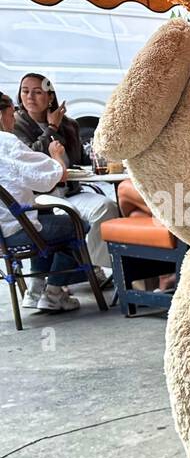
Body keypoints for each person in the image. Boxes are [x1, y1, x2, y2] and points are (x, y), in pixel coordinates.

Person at [13, 73, 119, 282]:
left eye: (37, 92)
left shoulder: (69, 124)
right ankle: (84, 269)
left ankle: (96, 264)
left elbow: (79, 160)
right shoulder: (17, 124)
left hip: (70, 191)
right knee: (71, 220)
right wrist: (50, 129)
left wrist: (104, 155)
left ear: (50, 97)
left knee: (107, 207)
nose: (30, 97)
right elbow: (30, 159)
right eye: (25, 91)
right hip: (40, 196)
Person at [0, 128, 84, 312]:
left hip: (3, 235)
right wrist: (56, 155)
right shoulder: (5, 141)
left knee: (41, 220)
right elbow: (53, 176)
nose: (14, 120)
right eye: (12, 115)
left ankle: (35, 290)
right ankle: (53, 293)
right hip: (16, 231)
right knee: (79, 225)